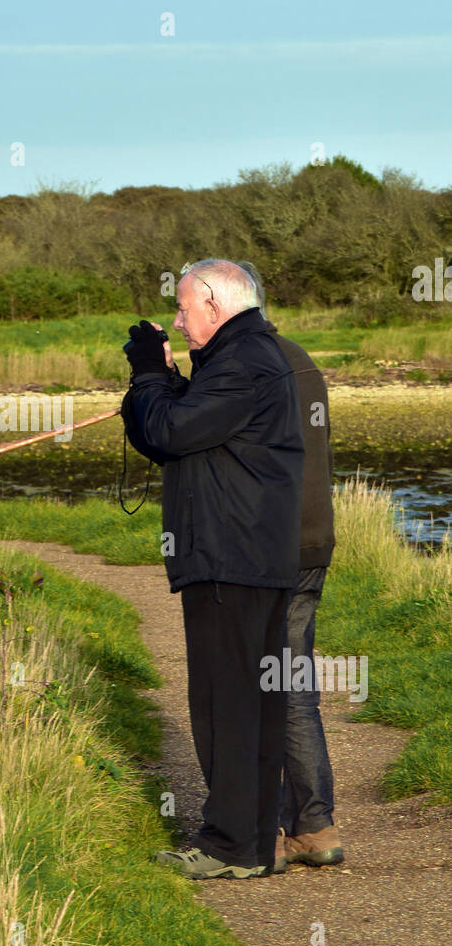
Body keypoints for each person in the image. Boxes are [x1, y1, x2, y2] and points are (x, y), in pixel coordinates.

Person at [121, 260, 304, 879]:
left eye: (181, 309)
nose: (177, 320)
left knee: (228, 702)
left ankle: (231, 844)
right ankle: (252, 845)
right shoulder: (249, 355)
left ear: (212, 303)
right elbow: (184, 427)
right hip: (251, 554)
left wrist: (147, 373)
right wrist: (165, 375)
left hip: (232, 556)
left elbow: (169, 430)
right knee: (254, 701)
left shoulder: (242, 362)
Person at [234, 263, 344, 871]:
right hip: (310, 541)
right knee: (293, 683)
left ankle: (265, 831)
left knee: (254, 687)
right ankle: (315, 826)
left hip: (264, 549)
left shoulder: (240, 366)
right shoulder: (301, 358)